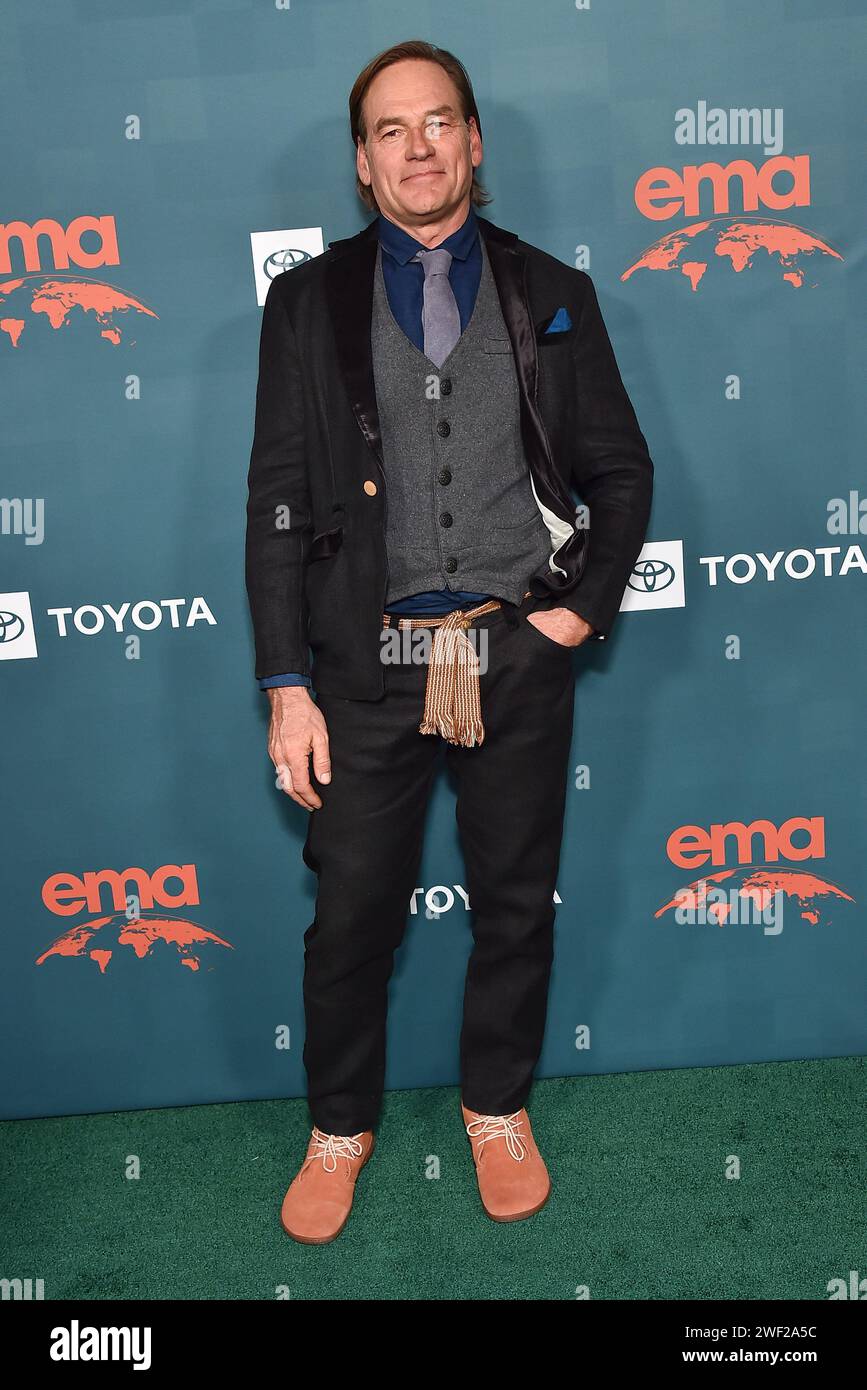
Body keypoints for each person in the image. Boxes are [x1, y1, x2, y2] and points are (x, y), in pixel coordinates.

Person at [245, 39, 653, 1244]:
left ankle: (496, 1108)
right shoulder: (305, 300)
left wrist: (572, 612)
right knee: (352, 912)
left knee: (517, 902)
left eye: (438, 124)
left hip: (511, 652)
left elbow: (621, 474)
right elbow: (275, 498)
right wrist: (285, 684)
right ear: (364, 166)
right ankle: (338, 1125)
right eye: (390, 132)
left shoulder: (551, 290)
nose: (417, 148)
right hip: (363, 665)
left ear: (474, 141)